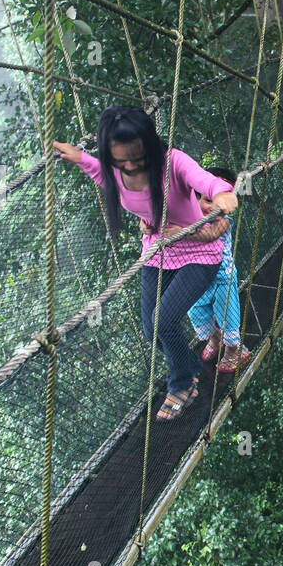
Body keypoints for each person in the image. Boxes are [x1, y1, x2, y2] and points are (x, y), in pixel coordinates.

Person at [54, 106, 237, 421]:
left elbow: (208, 183)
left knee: (163, 321)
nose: (129, 167)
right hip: (160, 250)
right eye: (120, 161)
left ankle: (182, 384)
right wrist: (80, 158)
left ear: (150, 147)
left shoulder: (173, 162)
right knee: (152, 330)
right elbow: (100, 171)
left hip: (198, 254)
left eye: (137, 160)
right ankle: (189, 366)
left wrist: (222, 195)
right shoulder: (113, 170)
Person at [184, 166, 251, 374]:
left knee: (228, 318)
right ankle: (214, 338)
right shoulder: (189, 219)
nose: (211, 208)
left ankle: (234, 350)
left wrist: (180, 233)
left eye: (218, 202)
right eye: (206, 200)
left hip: (223, 280)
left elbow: (209, 235)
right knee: (197, 314)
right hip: (197, 281)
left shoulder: (223, 222)